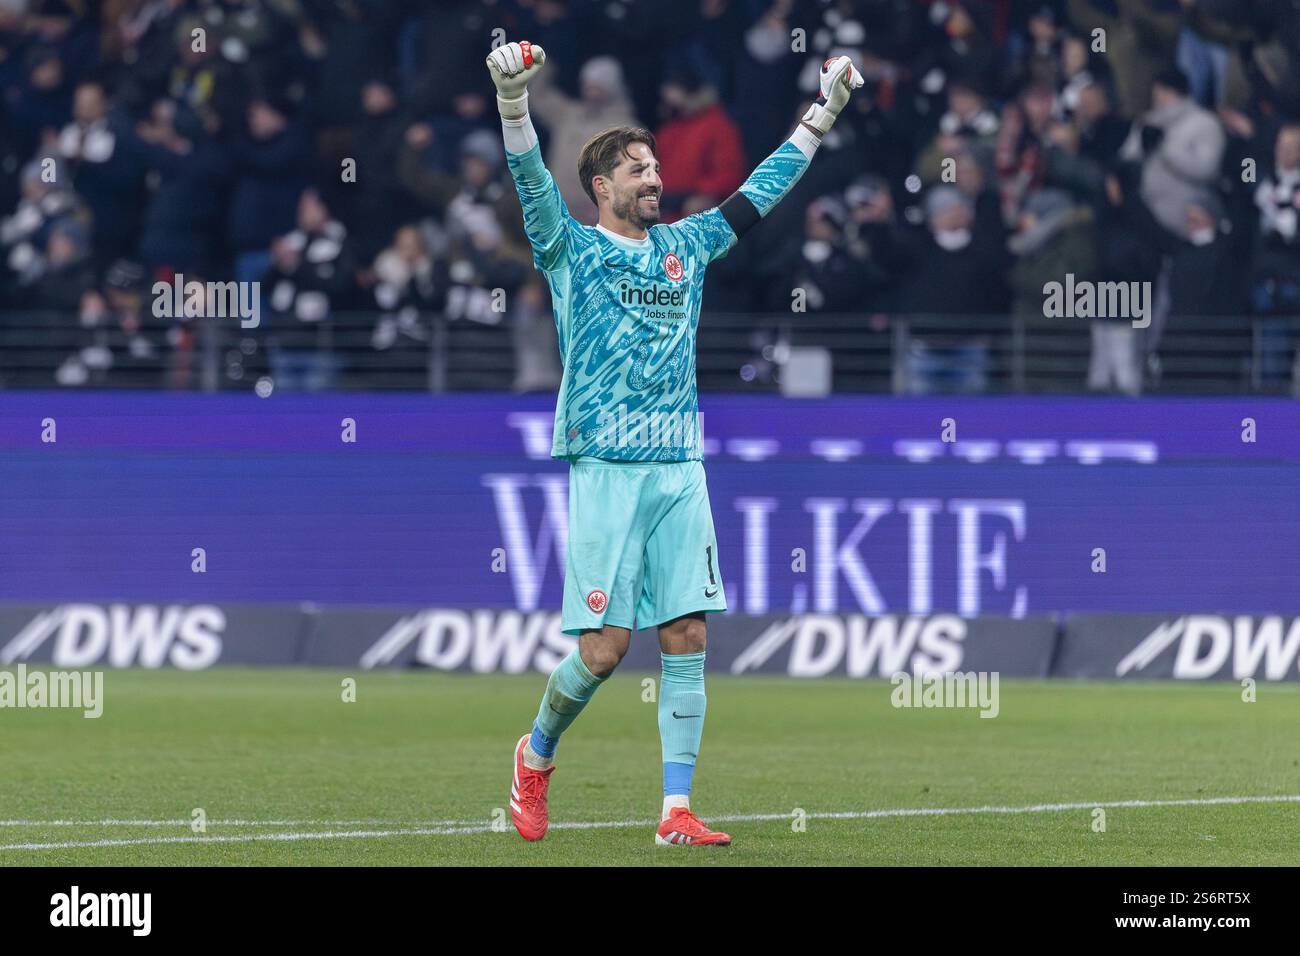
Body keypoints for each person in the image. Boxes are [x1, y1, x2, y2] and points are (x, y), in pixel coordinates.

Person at [486, 39, 862, 847]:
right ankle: (535, 753)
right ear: (600, 187)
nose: (654, 179)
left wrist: (822, 112)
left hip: (678, 463)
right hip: (607, 465)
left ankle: (675, 811)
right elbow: (526, 183)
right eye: (637, 170)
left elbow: (761, 191)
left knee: (688, 632)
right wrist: (513, 103)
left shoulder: (685, 248)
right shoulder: (571, 250)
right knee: (605, 649)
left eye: (655, 167)